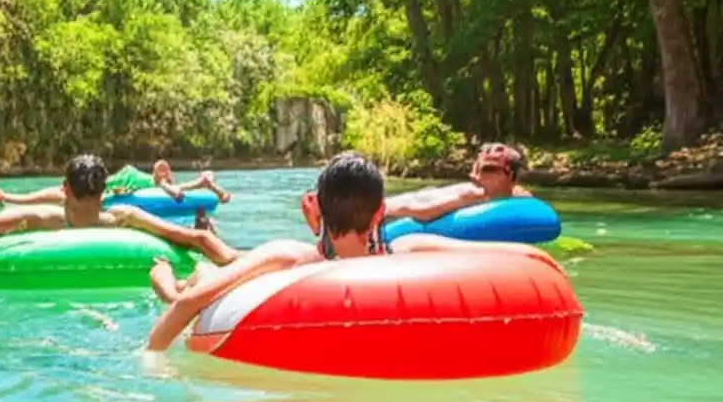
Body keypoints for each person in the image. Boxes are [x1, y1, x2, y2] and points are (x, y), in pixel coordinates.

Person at [144, 152, 560, 351]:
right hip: (331, 256)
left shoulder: (287, 257)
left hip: (301, 266)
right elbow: (523, 260)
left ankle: (168, 275)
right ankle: (168, 276)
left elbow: (187, 307)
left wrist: (150, 365)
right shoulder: (410, 248)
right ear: (382, 211)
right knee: (201, 274)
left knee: (207, 274)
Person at [0, 154, 240, 269]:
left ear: (64, 189)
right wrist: (234, 261)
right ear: (104, 191)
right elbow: (190, 237)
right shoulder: (123, 217)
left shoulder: (41, 218)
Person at [299, 142, 532, 233]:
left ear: (510, 175)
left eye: (488, 170)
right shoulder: (474, 192)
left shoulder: (520, 200)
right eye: (477, 169)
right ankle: (335, 220)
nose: (477, 176)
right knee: (427, 195)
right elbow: (422, 205)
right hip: (386, 216)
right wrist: (372, 210)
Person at [0, 159, 231, 207]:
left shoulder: (130, 184)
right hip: (125, 181)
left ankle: (6, 198)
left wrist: (8, 198)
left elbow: (51, 195)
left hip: (127, 182)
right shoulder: (122, 182)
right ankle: (6, 197)